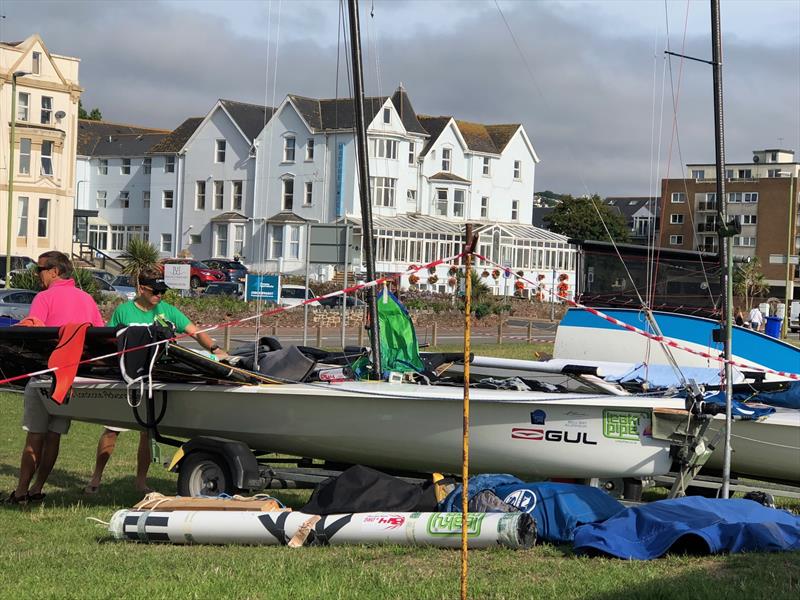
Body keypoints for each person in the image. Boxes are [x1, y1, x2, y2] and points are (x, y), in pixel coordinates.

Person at [85, 268, 229, 494]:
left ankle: (141, 481)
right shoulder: (123, 312)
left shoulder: (168, 311)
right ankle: (96, 477)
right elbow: (108, 341)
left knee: (147, 432)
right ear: (141, 289)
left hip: (156, 378)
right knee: (112, 430)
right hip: (130, 378)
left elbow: (195, 332)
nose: (159, 295)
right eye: (155, 291)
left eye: (162, 291)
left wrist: (216, 349)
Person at [7, 251, 104, 504]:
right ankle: (38, 488)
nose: (36, 275)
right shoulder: (87, 299)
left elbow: (34, 332)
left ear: (54, 271)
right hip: (70, 380)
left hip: (44, 376)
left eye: (39, 270)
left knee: (35, 436)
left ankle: (20, 492)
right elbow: (101, 336)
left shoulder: (44, 297)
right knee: (53, 436)